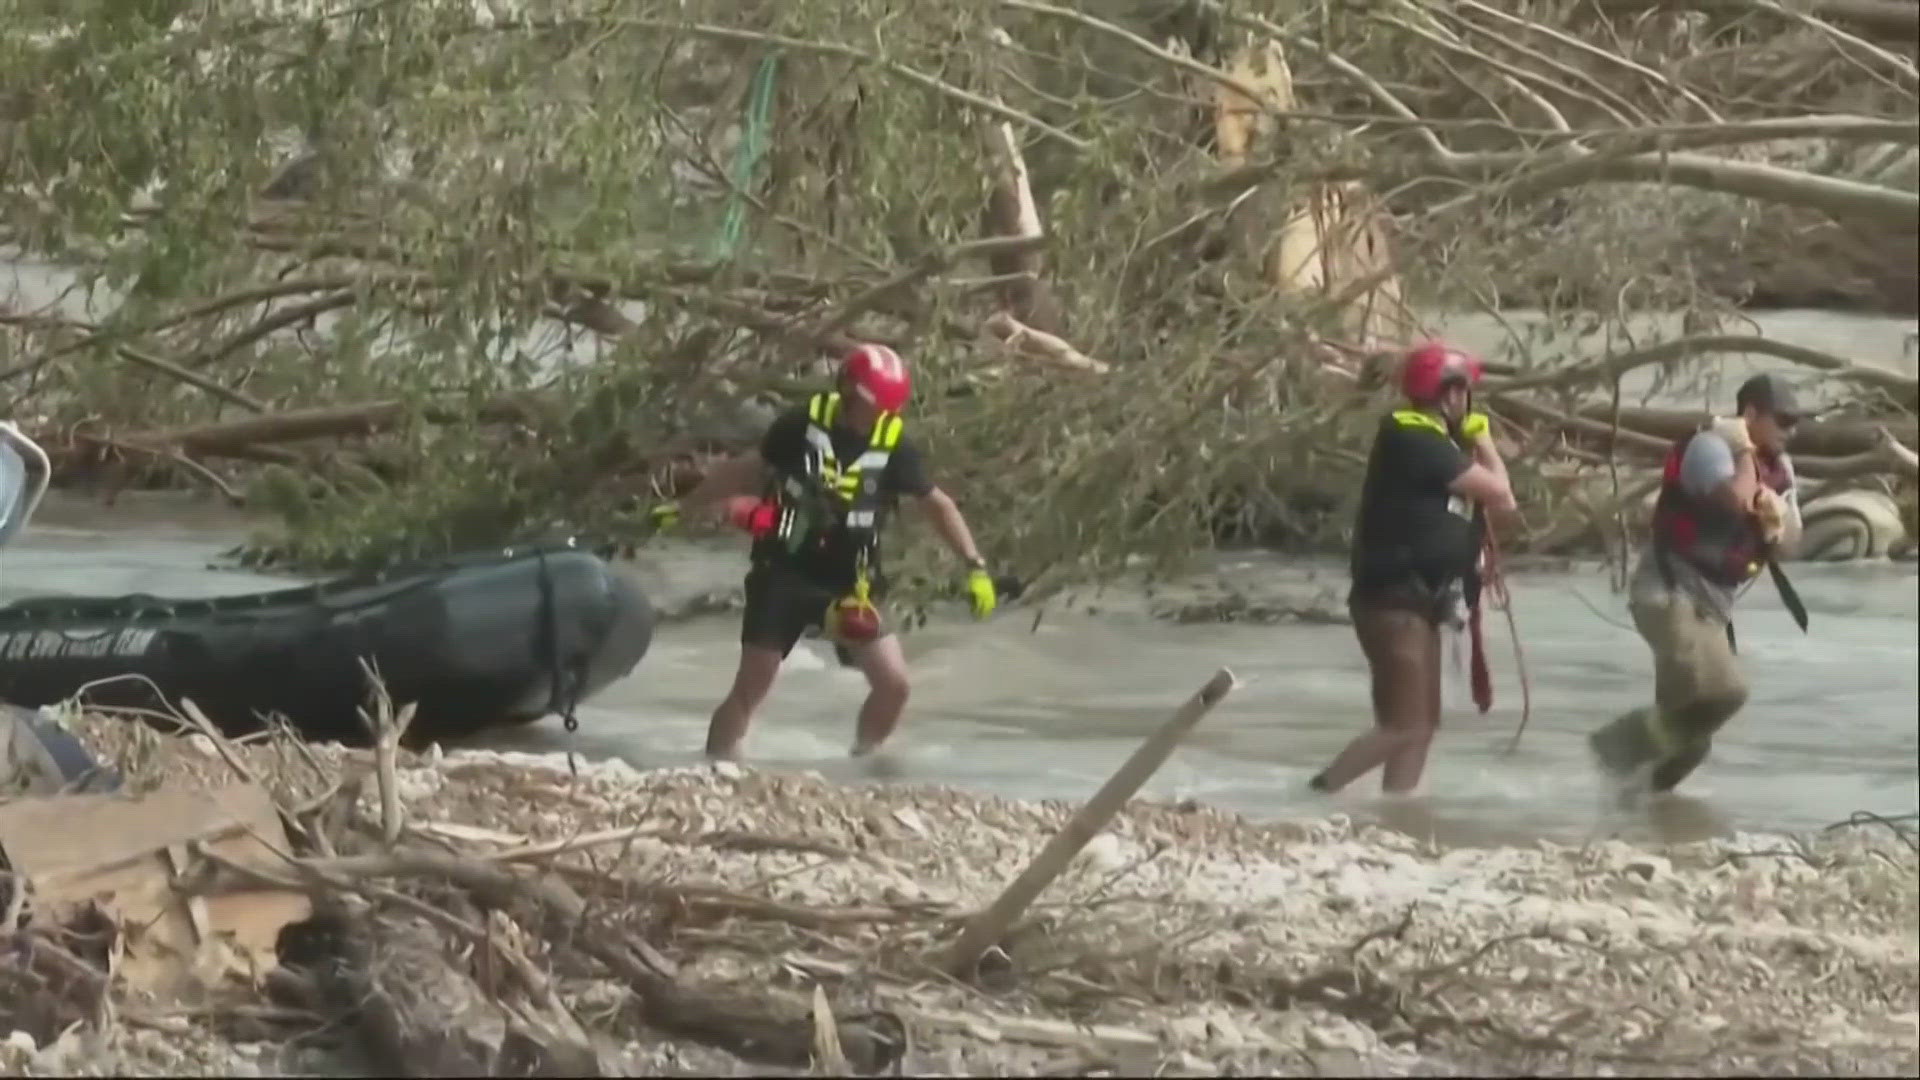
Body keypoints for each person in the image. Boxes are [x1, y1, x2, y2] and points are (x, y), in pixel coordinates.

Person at [666, 343, 1000, 761]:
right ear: (846, 390)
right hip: (782, 573)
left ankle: (866, 761)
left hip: (850, 586)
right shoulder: (800, 425)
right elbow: (745, 468)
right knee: (752, 685)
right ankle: (714, 767)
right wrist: (685, 507)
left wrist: (975, 566)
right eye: (870, 406)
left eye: (886, 409)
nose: (877, 416)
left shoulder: (896, 447)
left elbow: (938, 505)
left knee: (894, 684)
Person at [1308, 342, 1517, 796]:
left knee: (1420, 726)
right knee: (1403, 725)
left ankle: (1395, 812)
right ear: (1449, 395)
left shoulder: (1435, 440)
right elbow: (1502, 493)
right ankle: (1318, 793)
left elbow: (1499, 504)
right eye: (1465, 391)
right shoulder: (1414, 438)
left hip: (1420, 600)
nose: (1469, 400)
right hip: (1394, 602)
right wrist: (1483, 440)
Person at [1587, 372, 1805, 794]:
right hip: (1670, 594)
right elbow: (1735, 501)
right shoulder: (1710, 447)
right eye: (1783, 419)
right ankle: (1614, 748)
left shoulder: (1781, 470)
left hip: (1713, 608)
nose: (1791, 431)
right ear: (1751, 414)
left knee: (1691, 745)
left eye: (1796, 422)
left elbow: (1792, 543)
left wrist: (1776, 524)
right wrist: (1742, 449)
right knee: (1727, 691)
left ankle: (1633, 803)